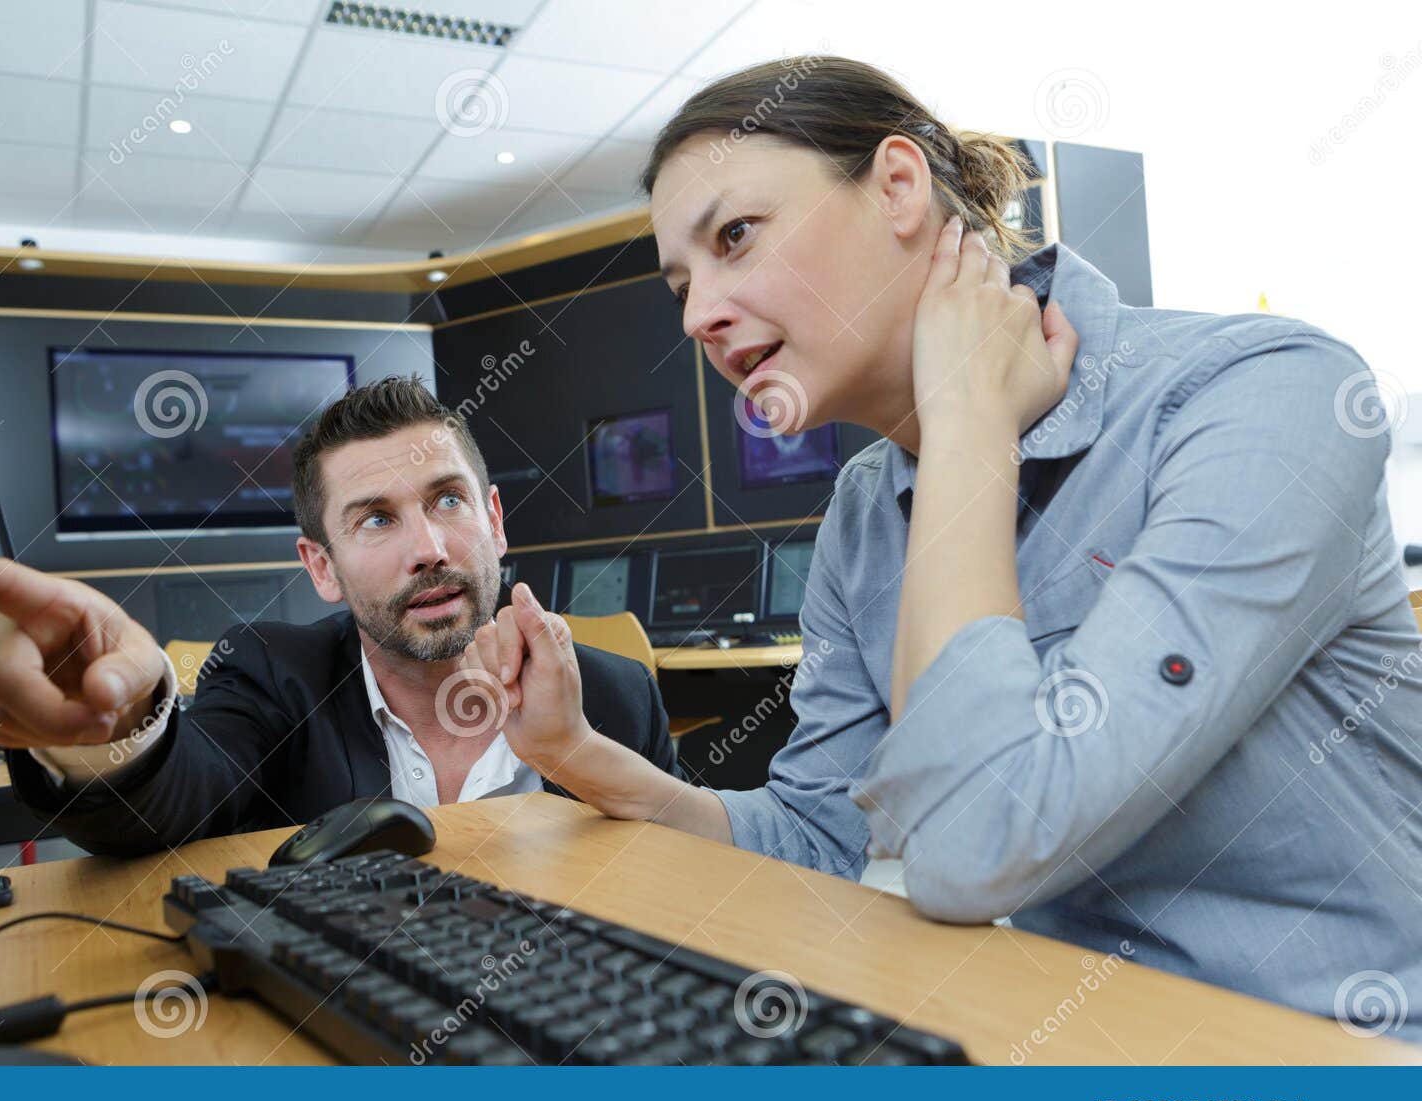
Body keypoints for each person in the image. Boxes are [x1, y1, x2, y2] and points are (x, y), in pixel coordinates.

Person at [475, 56, 1422, 1038]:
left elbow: (977, 848)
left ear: (897, 186)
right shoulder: (863, 507)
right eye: (681, 281)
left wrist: (969, 420)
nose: (696, 313)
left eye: (736, 237)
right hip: (1080, 1045)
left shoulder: (1265, 395)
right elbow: (813, 833)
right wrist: (575, 753)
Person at [0, 374, 684, 857]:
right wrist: (112, 731)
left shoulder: (618, 699)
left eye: (448, 500)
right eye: (376, 519)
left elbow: (706, 893)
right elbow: (168, 808)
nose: (430, 547)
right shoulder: (275, 676)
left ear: (496, 520)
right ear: (322, 567)